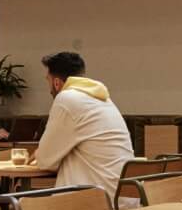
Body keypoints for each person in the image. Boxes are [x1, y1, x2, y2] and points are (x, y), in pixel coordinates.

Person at [33, 50, 133, 199]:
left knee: (24, 207)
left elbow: (45, 161)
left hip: (97, 202)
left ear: (56, 82)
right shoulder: (103, 99)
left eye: (48, 80)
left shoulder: (67, 99)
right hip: (123, 199)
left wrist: (40, 154)